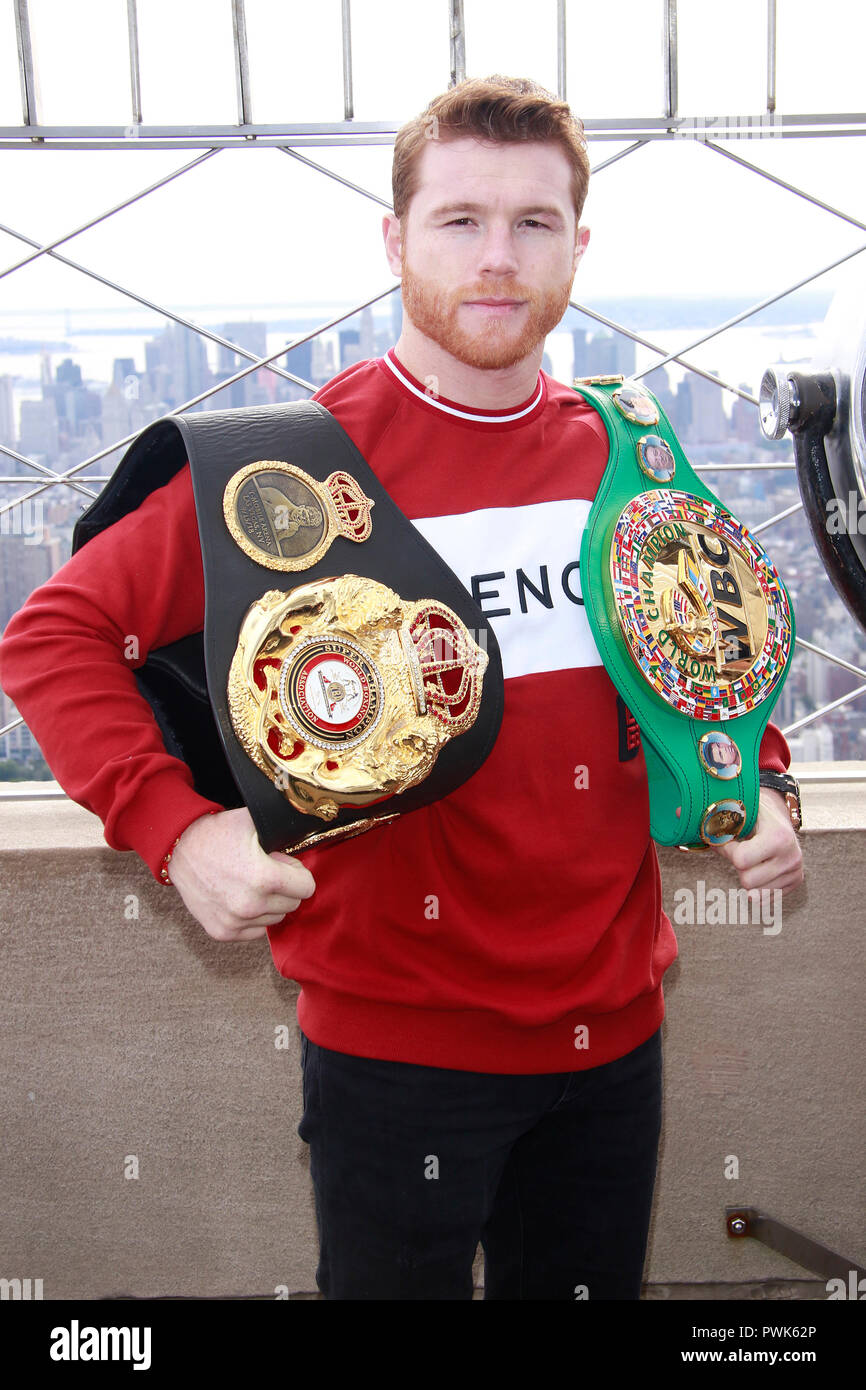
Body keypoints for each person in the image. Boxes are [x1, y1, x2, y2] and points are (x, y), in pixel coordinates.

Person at [0, 75, 804, 1301]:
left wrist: (766, 783)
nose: (497, 258)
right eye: (459, 220)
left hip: (615, 1033)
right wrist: (177, 830)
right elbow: (53, 634)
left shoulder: (630, 452)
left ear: (576, 245)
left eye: (533, 223)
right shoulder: (289, 466)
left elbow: (705, 647)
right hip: (397, 1054)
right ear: (395, 238)